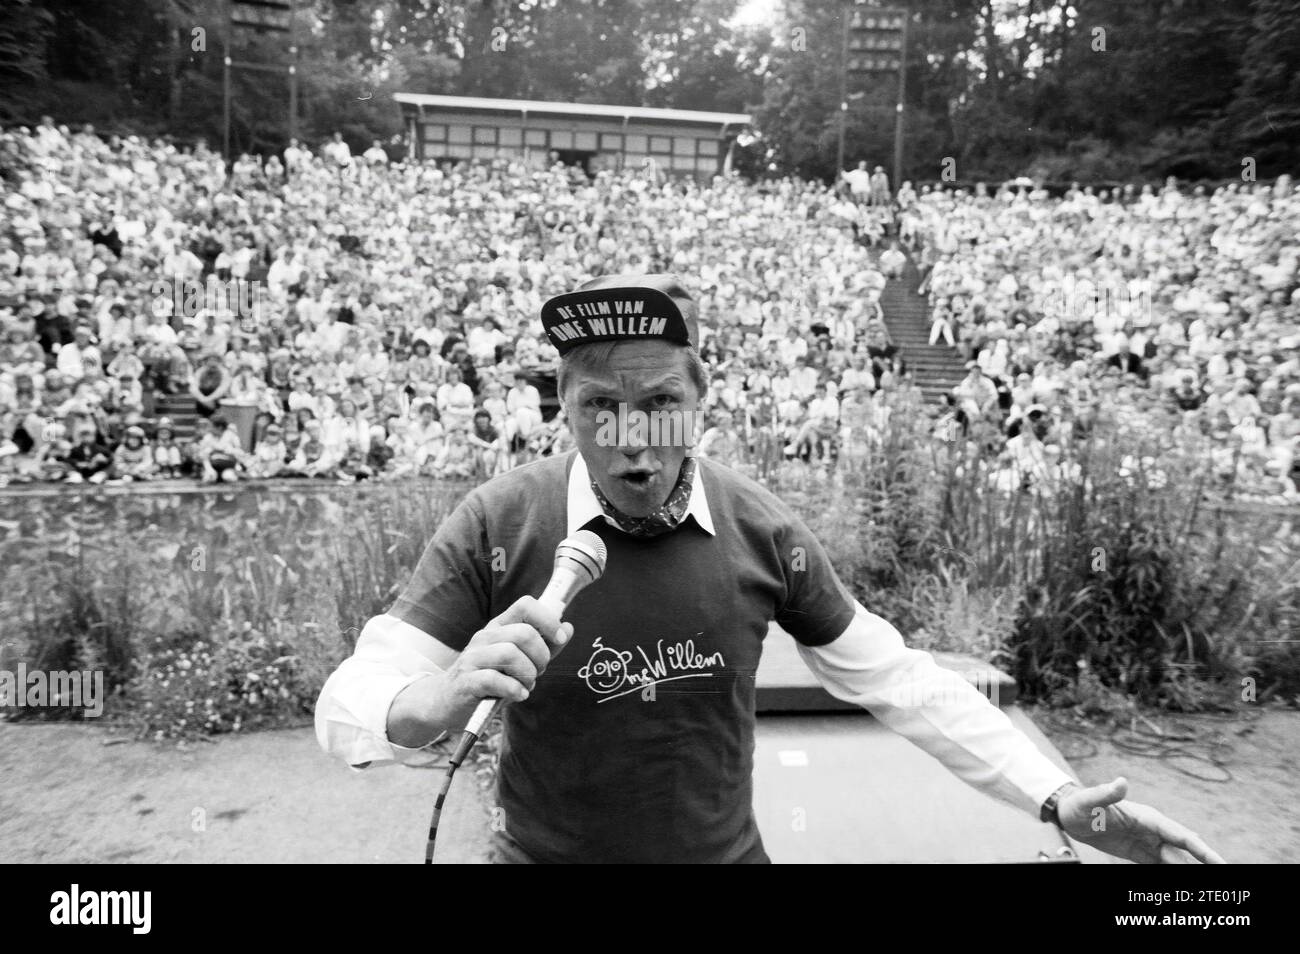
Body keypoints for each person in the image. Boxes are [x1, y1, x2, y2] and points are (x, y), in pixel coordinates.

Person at [316, 274, 1224, 865]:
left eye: (661, 403)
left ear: (702, 399)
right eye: (601, 407)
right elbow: (351, 698)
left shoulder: (763, 528)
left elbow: (900, 679)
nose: (634, 443)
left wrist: (1057, 795)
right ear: (563, 406)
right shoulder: (499, 519)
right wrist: (427, 702)